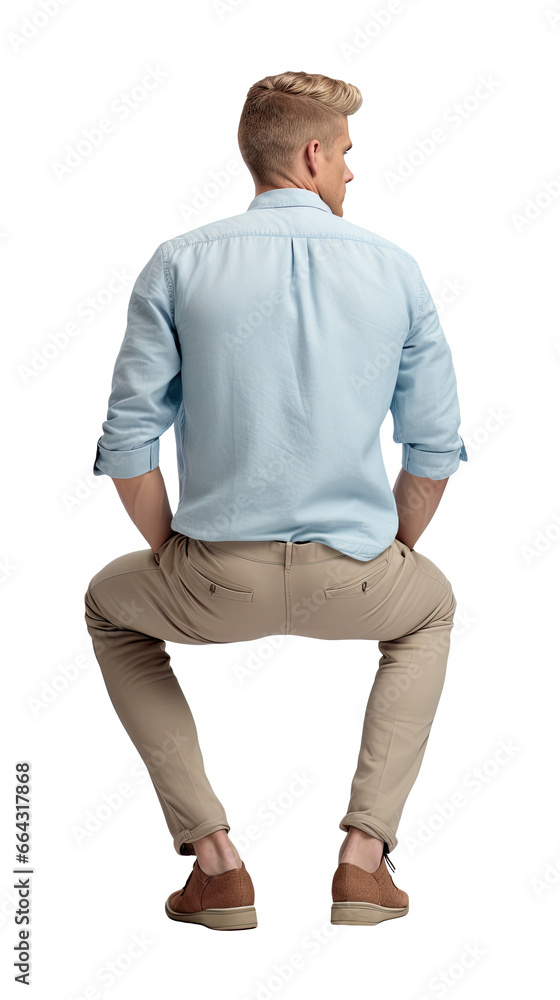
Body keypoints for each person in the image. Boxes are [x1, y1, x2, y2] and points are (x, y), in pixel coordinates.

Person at [84, 70, 468, 931]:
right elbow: (434, 449)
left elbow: (127, 445)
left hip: (211, 580)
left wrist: (172, 551)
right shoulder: (395, 268)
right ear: (312, 154)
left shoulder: (180, 261)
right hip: (360, 581)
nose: (352, 174)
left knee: (112, 605)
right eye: (347, 155)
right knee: (430, 607)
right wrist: (388, 545)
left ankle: (216, 863)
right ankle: (365, 861)